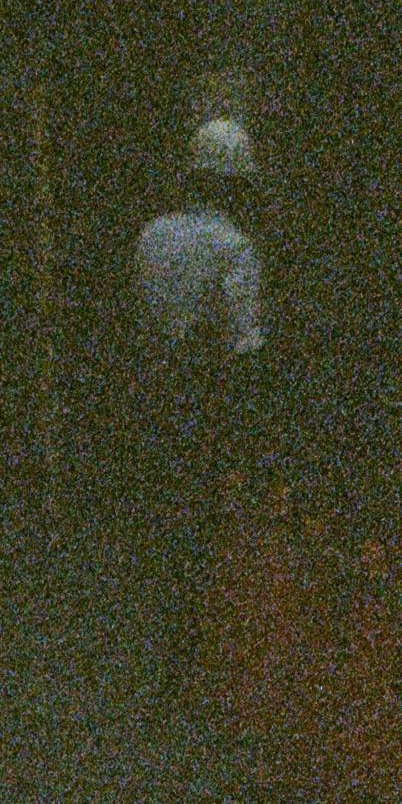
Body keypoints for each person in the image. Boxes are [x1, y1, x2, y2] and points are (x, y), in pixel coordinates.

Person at [128, 110, 267, 704]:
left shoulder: (151, 236)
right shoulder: (234, 247)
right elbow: (246, 341)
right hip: (208, 400)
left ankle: (166, 656)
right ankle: (201, 658)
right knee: (210, 530)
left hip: (153, 391)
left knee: (164, 525)